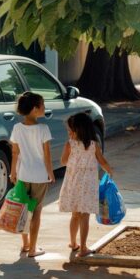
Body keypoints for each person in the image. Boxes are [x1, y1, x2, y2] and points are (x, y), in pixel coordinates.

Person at [58, 113, 114, 257]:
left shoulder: (69, 144)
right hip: (88, 185)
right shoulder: (94, 145)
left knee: (75, 214)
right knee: (84, 216)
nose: (68, 132)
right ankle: (83, 247)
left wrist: (72, 160)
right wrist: (109, 171)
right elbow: (102, 162)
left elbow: (63, 162)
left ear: (77, 130)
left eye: (70, 130)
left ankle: (73, 243)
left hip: (73, 183)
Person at [9, 91, 55, 258]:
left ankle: (25, 245)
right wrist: (50, 174)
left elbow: (14, 153)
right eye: (43, 105)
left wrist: (12, 172)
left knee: (23, 209)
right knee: (36, 212)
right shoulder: (43, 129)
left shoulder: (16, 128)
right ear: (35, 109)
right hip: (39, 175)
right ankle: (34, 249)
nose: (44, 108)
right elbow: (47, 155)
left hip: (22, 174)